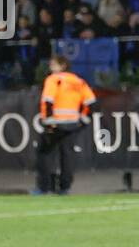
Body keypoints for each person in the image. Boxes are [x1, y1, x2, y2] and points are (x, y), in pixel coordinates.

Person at [35, 53, 96, 195]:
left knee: (45, 154)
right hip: (72, 125)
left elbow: (48, 100)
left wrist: (49, 122)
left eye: (53, 64)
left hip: (55, 124)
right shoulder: (78, 81)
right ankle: (65, 187)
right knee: (67, 156)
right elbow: (91, 102)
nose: (50, 67)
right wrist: (83, 120)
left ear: (61, 66)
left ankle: (46, 187)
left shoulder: (53, 79)